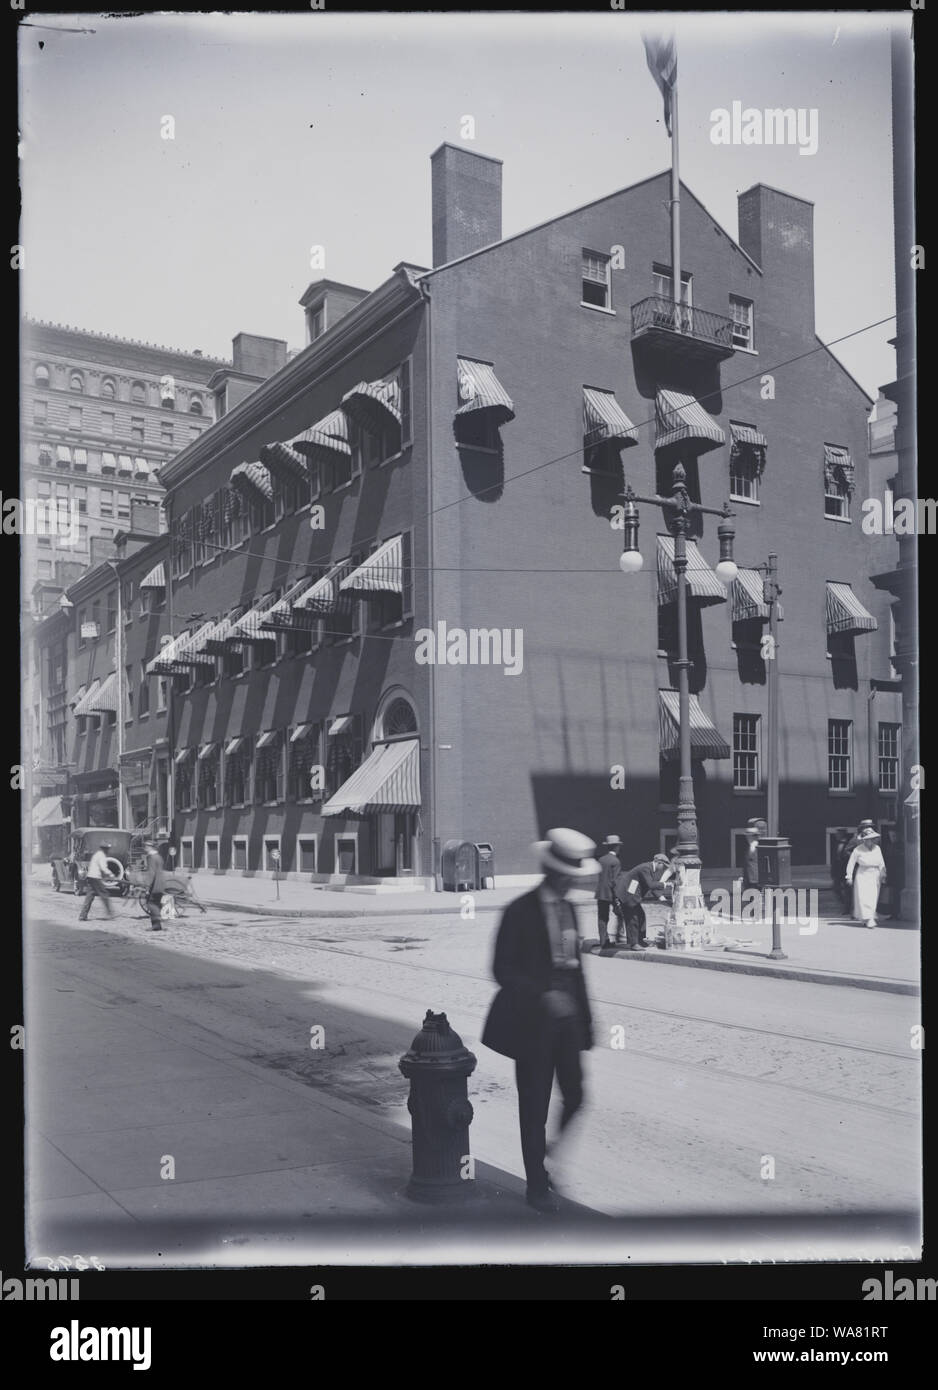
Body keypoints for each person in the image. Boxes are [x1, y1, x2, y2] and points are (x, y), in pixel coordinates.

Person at [481, 828, 598, 1214]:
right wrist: (540, 995)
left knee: (577, 1095)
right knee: (533, 1106)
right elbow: (501, 969)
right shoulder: (519, 910)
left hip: (566, 1023)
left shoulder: (570, 910)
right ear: (553, 873)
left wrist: (587, 1023)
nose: (571, 884)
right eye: (568, 877)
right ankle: (536, 1185)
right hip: (531, 1025)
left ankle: (548, 1152)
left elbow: (578, 970)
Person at [613, 853, 673, 950]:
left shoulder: (650, 870)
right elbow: (651, 885)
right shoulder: (645, 868)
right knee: (633, 919)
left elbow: (652, 887)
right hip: (627, 895)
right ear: (658, 862)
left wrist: (662, 899)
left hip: (632, 895)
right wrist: (666, 884)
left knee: (641, 916)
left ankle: (640, 940)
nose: (663, 869)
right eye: (663, 866)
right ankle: (634, 944)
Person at [845, 827, 886, 929]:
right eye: (868, 839)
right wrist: (849, 876)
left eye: (872, 838)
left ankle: (866, 918)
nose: (870, 841)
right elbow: (851, 864)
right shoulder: (857, 850)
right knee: (863, 897)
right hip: (863, 874)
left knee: (873, 897)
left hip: (875, 874)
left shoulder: (877, 848)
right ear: (863, 839)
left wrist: (883, 874)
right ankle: (869, 919)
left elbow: (881, 862)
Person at [595, 834, 623, 950]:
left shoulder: (601, 859)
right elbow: (614, 881)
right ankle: (618, 937)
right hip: (611, 893)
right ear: (616, 847)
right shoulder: (615, 861)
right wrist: (617, 897)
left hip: (600, 892)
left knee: (602, 917)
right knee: (620, 914)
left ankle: (604, 941)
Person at [78, 841, 116, 921]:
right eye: (107, 849)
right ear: (105, 849)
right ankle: (110, 914)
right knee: (104, 895)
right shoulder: (102, 856)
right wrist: (111, 874)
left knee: (89, 897)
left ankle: (82, 915)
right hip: (95, 878)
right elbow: (103, 868)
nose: (108, 850)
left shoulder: (97, 854)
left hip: (90, 877)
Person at [142, 838, 167, 931]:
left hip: (155, 885)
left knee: (151, 904)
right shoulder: (159, 857)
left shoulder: (151, 858)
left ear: (151, 847)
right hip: (161, 883)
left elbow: (151, 873)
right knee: (156, 903)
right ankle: (157, 924)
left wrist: (147, 887)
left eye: (146, 846)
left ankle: (156, 925)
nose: (145, 848)